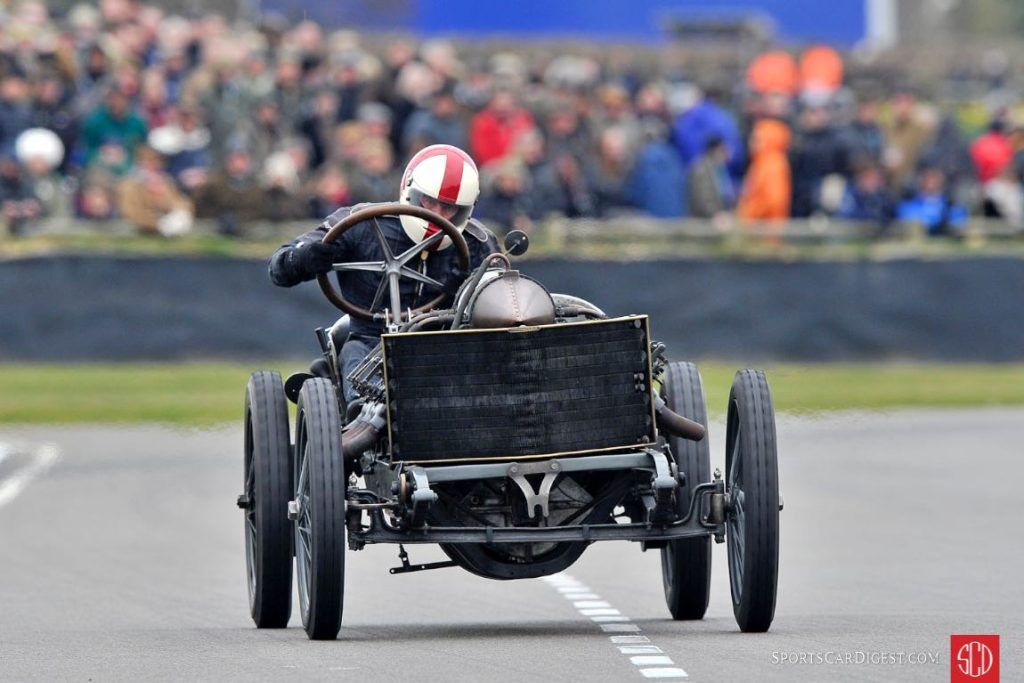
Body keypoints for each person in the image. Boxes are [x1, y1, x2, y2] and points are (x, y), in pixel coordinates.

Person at [269, 144, 499, 402]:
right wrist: (303, 258)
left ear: (465, 210)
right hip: (369, 340)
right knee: (353, 350)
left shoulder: (478, 242)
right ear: (409, 191)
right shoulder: (359, 223)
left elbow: (501, 298)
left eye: (449, 208)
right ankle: (363, 410)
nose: (437, 214)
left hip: (448, 348)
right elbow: (279, 268)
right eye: (429, 202)